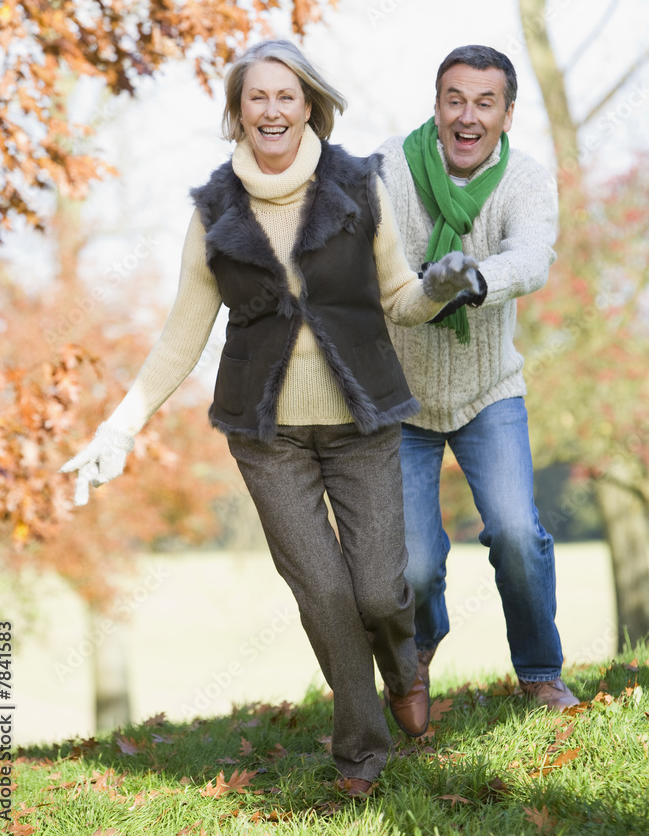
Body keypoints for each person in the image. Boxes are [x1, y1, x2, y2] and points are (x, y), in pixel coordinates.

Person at [61, 39, 482, 795]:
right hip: (267, 436)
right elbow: (179, 337)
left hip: (362, 423)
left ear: (308, 105)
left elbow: (398, 298)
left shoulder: (359, 187)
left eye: (285, 96)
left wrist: (439, 286)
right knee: (322, 595)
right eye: (257, 97)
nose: (272, 109)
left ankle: (403, 663)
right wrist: (118, 426)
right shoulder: (214, 213)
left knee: (379, 592)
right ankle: (362, 753)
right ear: (237, 114)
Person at [376, 44, 579, 711]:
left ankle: (539, 671)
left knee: (517, 533)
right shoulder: (389, 172)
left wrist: (472, 281)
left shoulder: (524, 179)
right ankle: (420, 654)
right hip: (400, 398)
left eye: (483, 103)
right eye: (454, 100)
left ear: (506, 114)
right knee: (412, 563)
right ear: (435, 108)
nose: (467, 116)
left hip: (488, 389)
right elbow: (368, 267)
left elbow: (531, 258)